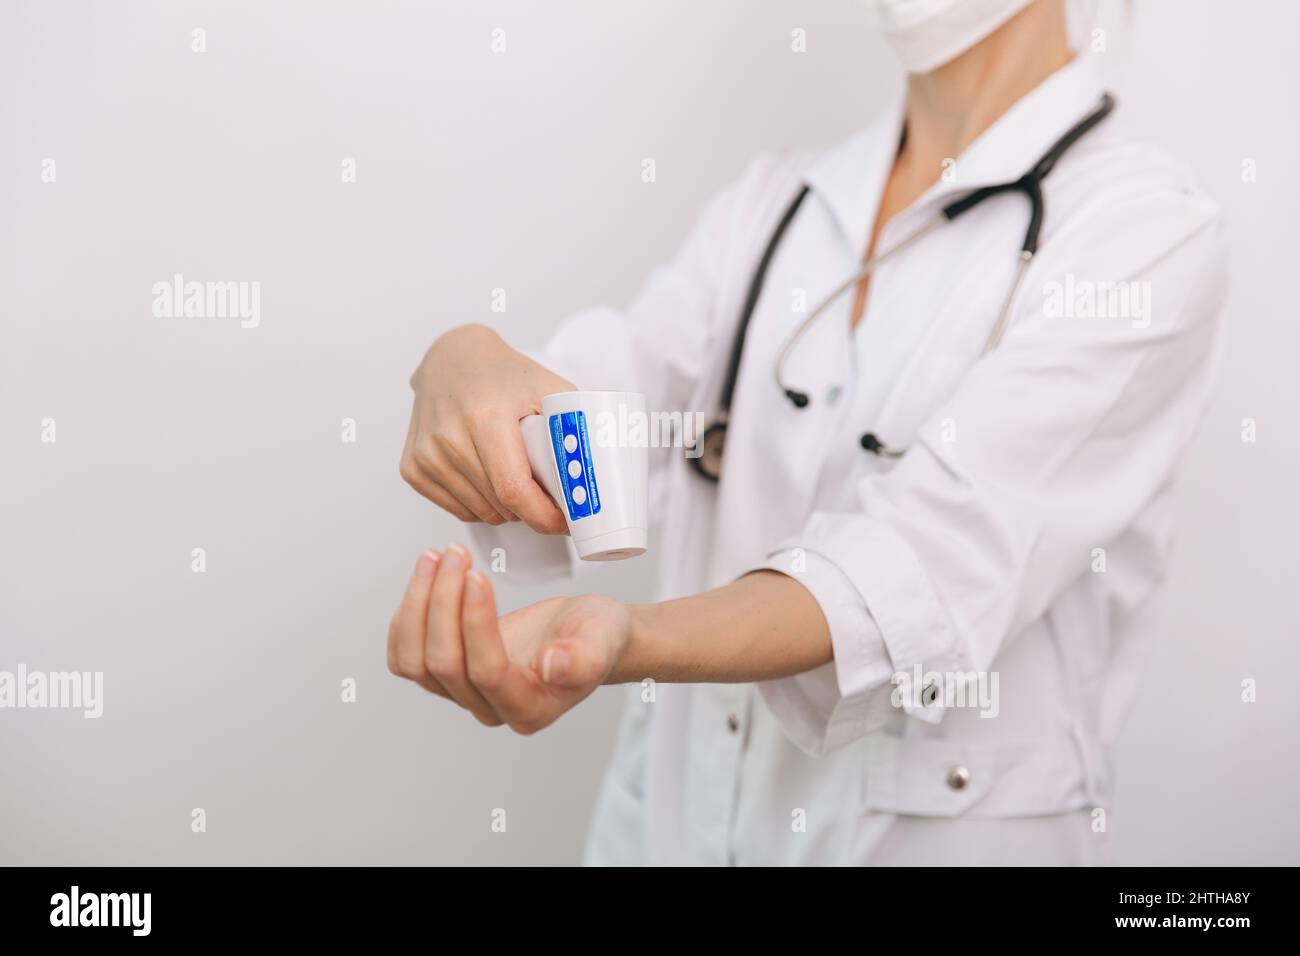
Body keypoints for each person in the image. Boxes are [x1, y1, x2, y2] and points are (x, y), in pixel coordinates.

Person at [387, 0, 1228, 865]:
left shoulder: (1147, 232)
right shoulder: (776, 202)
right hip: (671, 828)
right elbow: (609, 412)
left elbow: (921, 566)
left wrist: (633, 640)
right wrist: (476, 368)